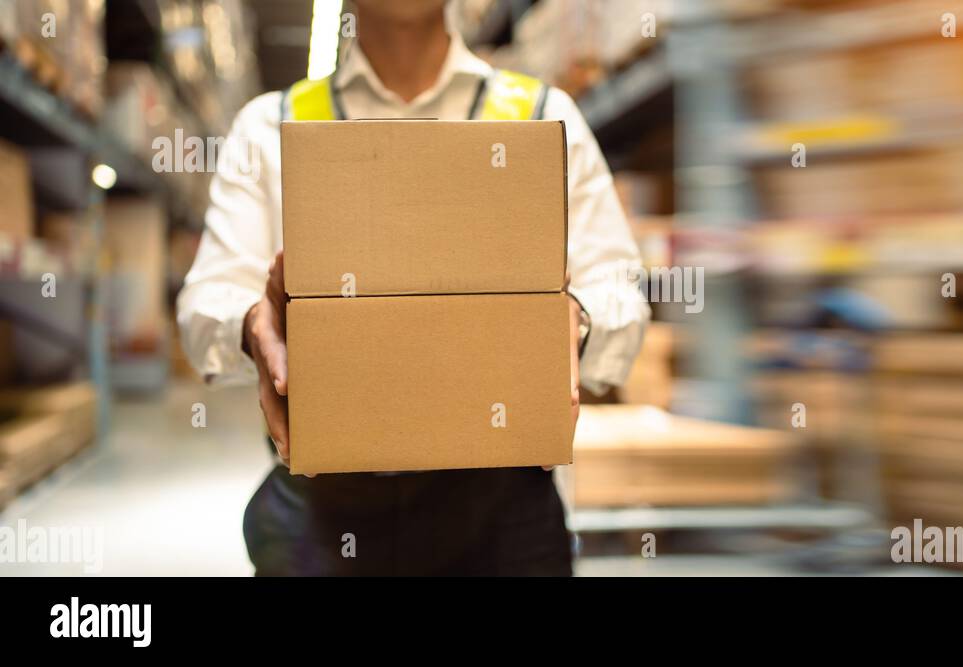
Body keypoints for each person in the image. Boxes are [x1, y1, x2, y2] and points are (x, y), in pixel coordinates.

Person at [177, 0, 648, 575]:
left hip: (499, 516)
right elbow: (206, 305)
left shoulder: (542, 117)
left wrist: (574, 318)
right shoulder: (271, 126)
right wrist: (254, 327)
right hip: (325, 516)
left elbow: (619, 289)